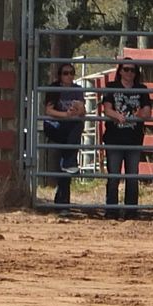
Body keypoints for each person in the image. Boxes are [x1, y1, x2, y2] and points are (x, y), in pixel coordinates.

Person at [100, 58, 152, 217]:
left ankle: (131, 211)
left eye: (133, 70)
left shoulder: (142, 89)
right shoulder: (111, 87)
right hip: (114, 138)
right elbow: (107, 109)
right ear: (120, 71)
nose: (130, 73)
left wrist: (137, 115)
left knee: (132, 176)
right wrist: (117, 115)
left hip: (134, 139)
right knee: (113, 175)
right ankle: (111, 210)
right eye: (126, 69)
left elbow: (147, 113)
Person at [44, 62, 85, 205]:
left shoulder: (78, 89)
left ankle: (63, 202)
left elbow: (82, 110)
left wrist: (76, 111)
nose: (68, 76)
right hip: (56, 127)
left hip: (71, 129)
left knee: (66, 164)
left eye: (71, 73)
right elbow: (48, 110)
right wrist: (65, 114)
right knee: (65, 162)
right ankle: (62, 200)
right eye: (65, 73)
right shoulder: (54, 88)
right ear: (60, 75)